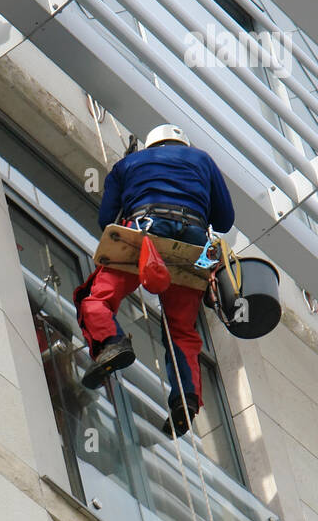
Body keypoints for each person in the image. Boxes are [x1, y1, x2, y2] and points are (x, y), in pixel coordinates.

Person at [74, 124, 235, 435]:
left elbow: (106, 219)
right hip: (192, 248)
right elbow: (225, 219)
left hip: (144, 235)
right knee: (181, 330)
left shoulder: (128, 164)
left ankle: (111, 343)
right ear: (182, 142)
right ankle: (186, 399)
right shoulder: (203, 160)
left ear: (150, 144)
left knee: (95, 298)